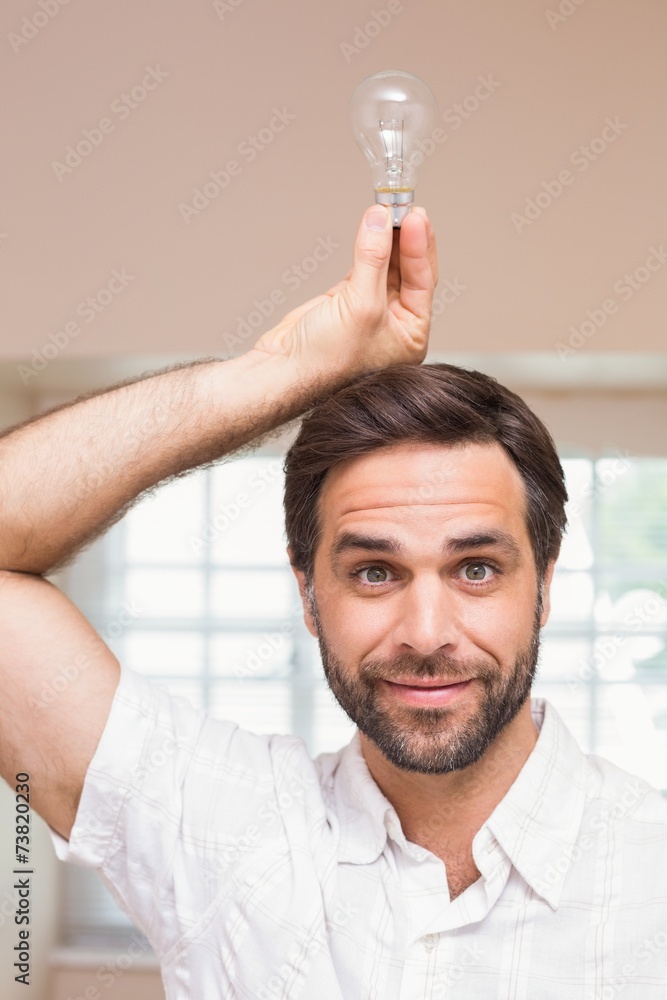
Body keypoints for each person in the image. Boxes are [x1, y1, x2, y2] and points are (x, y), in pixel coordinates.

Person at [0, 203, 665, 999]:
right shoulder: (218, 832)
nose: (426, 633)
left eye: (476, 569)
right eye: (374, 572)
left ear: (545, 585)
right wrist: (282, 369)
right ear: (308, 593)